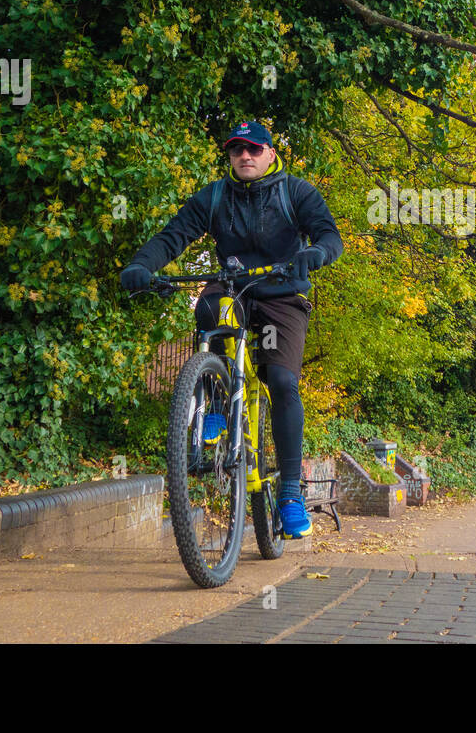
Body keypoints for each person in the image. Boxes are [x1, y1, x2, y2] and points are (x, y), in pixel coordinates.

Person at [120, 121, 342, 538]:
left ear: (271, 154)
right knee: (209, 305)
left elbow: (330, 236)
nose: (245, 156)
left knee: (280, 379)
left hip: (282, 292)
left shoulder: (296, 192)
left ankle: (291, 494)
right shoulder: (215, 196)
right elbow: (173, 237)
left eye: (254, 150)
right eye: (237, 150)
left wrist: (313, 254)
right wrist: (141, 265)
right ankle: (219, 406)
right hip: (235, 288)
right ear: (230, 156)